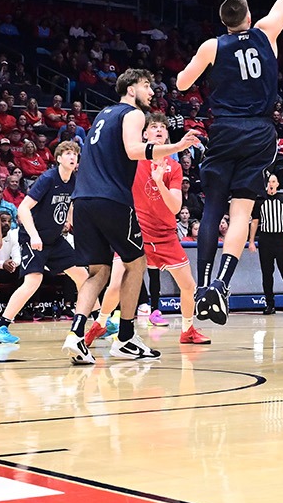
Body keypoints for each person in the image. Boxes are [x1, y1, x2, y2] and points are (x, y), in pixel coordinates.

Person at [175, 0, 283, 325]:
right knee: (242, 209)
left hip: (227, 129)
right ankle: (223, 285)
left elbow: (181, 83)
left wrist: (204, 67)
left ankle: (202, 287)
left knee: (213, 207)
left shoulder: (213, 45)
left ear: (224, 22)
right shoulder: (267, 33)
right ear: (250, 15)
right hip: (261, 132)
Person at [62, 70, 202, 365]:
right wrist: (176, 147)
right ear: (130, 88)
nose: (152, 91)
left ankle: (75, 335)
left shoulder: (103, 114)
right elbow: (134, 149)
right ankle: (125, 337)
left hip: (83, 198)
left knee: (97, 273)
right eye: (146, 85)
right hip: (110, 199)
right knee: (136, 263)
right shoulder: (133, 113)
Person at [0, 141, 88, 344]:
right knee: (33, 280)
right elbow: (24, 208)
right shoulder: (48, 178)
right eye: (68, 153)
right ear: (59, 158)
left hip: (54, 238)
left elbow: (68, 202)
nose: (72, 157)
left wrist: (68, 219)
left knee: (83, 276)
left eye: (75, 154)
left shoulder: (74, 180)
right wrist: (34, 235)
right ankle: (0, 328)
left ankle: (98, 322)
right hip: (33, 238)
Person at [130, 119, 210, 344]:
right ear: (144, 134)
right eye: (153, 127)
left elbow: (175, 207)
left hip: (166, 235)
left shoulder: (173, 168)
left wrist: (160, 183)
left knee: (189, 286)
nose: (158, 130)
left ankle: (187, 330)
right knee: (118, 283)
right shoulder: (134, 161)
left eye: (162, 127)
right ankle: (101, 324)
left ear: (167, 135)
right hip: (138, 231)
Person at [253, 167, 283, 314]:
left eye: (273, 181)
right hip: (265, 239)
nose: (271, 184)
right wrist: (250, 241)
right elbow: (255, 221)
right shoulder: (259, 201)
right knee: (267, 274)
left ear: (278, 184)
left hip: (281, 239)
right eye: (269, 182)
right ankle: (269, 305)